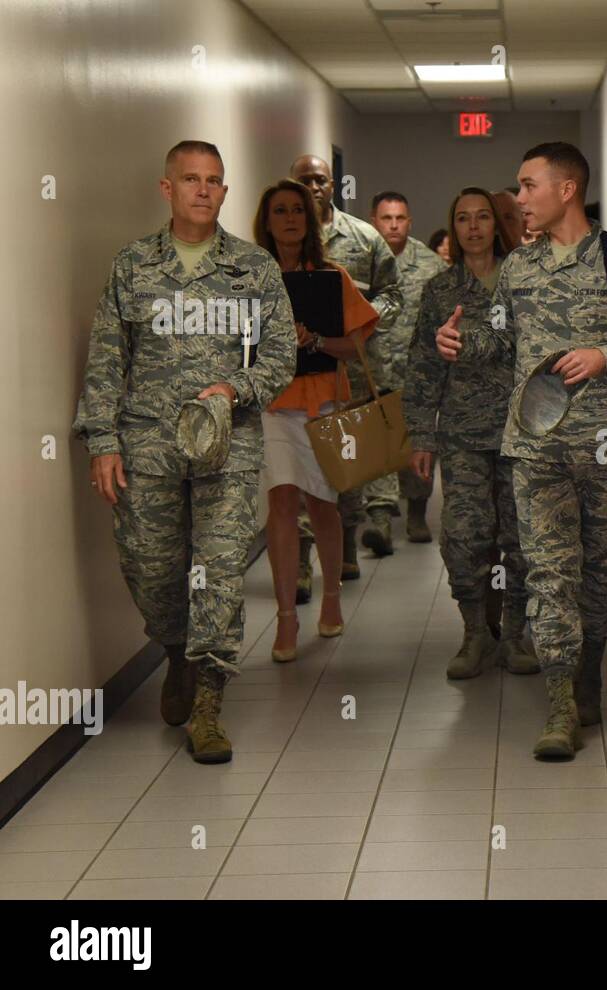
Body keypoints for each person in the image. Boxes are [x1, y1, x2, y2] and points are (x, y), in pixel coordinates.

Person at [438, 143, 607, 759]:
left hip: (605, 444)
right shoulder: (519, 269)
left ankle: (590, 667)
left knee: (601, 568)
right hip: (535, 447)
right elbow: (497, 339)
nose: (518, 200)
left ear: (566, 190)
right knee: (548, 572)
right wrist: (459, 342)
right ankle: (560, 702)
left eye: (528, 186)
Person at [73, 140, 296, 764]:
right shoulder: (134, 266)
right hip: (147, 445)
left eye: (215, 181)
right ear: (166, 188)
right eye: (191, 179)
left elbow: (280, 358)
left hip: (227, 444)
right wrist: (103, 441)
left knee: (220, 572)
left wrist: (236, 386)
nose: (204, 189)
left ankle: (207, 700)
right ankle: (175, 649)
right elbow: (105, 360)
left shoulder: (252, 269)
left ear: (226, 192)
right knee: (152, 567)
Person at [405, 187, 536, 678]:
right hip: (462, 435)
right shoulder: (440, 290)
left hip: (524, 433)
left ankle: (516, 633)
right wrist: (421, 435)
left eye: (483, 217)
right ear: (453, 227)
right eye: (463, 218)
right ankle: (475, 633)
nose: (475, 226)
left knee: (521, 538)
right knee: (464, 536)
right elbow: (422, 366)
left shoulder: (523, 280)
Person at [253, 179, 379, 661]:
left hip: (322, 401)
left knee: (322, 504)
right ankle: (286, 617)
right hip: (271, 405)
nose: (288, 218)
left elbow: (356, 345)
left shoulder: (332, 278)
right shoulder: (250, 280)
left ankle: (330, 597)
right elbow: (236, 345)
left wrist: (315, 341)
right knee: (281, 504)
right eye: (279, 210)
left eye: (297, 211)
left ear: (309, 220)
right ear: (266, 221)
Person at [289, 155, 402, 589]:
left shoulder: (363, 237)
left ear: (333, 184)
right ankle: (301, 562)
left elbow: (392, 292)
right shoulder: (281, 236)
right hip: (297, 370)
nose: (313, 187)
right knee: (301, 463)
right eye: (304, 181)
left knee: (347, 459)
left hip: (348, 365)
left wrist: (367, 321)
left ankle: (348, 548)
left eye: (319, 180)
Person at [370, 191, 447, 542]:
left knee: (418, 443)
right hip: (372, 369)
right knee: (377, 448)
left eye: (400, 218)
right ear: (375, 221)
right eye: (387, 218)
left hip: (417, 373)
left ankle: (417, 515)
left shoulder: (431, 265)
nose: (394, 225)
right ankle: (380, 520)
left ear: (410, 222)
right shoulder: (363, 260)